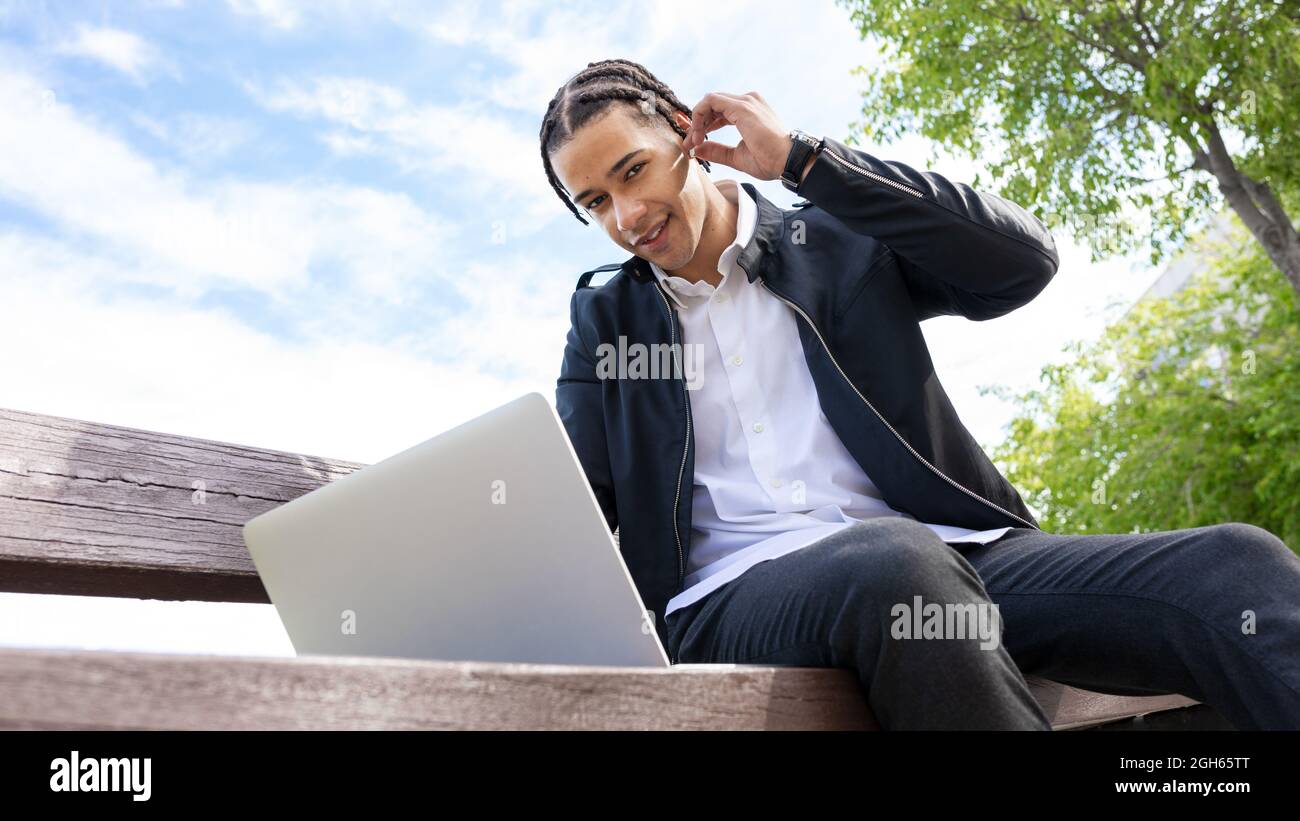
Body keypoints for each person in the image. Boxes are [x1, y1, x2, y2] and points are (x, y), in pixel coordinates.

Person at [540, 58, 1300, 729]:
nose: (626, 216)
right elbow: (576, 508)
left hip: (956, 561)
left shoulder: (832, 243)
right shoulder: (605, 324)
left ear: (686, 133)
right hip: (733, 604)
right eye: (595, 203)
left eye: (633, 172)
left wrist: (806, 161)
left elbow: (1020, 264)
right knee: (894, 567)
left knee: (1235, 567)